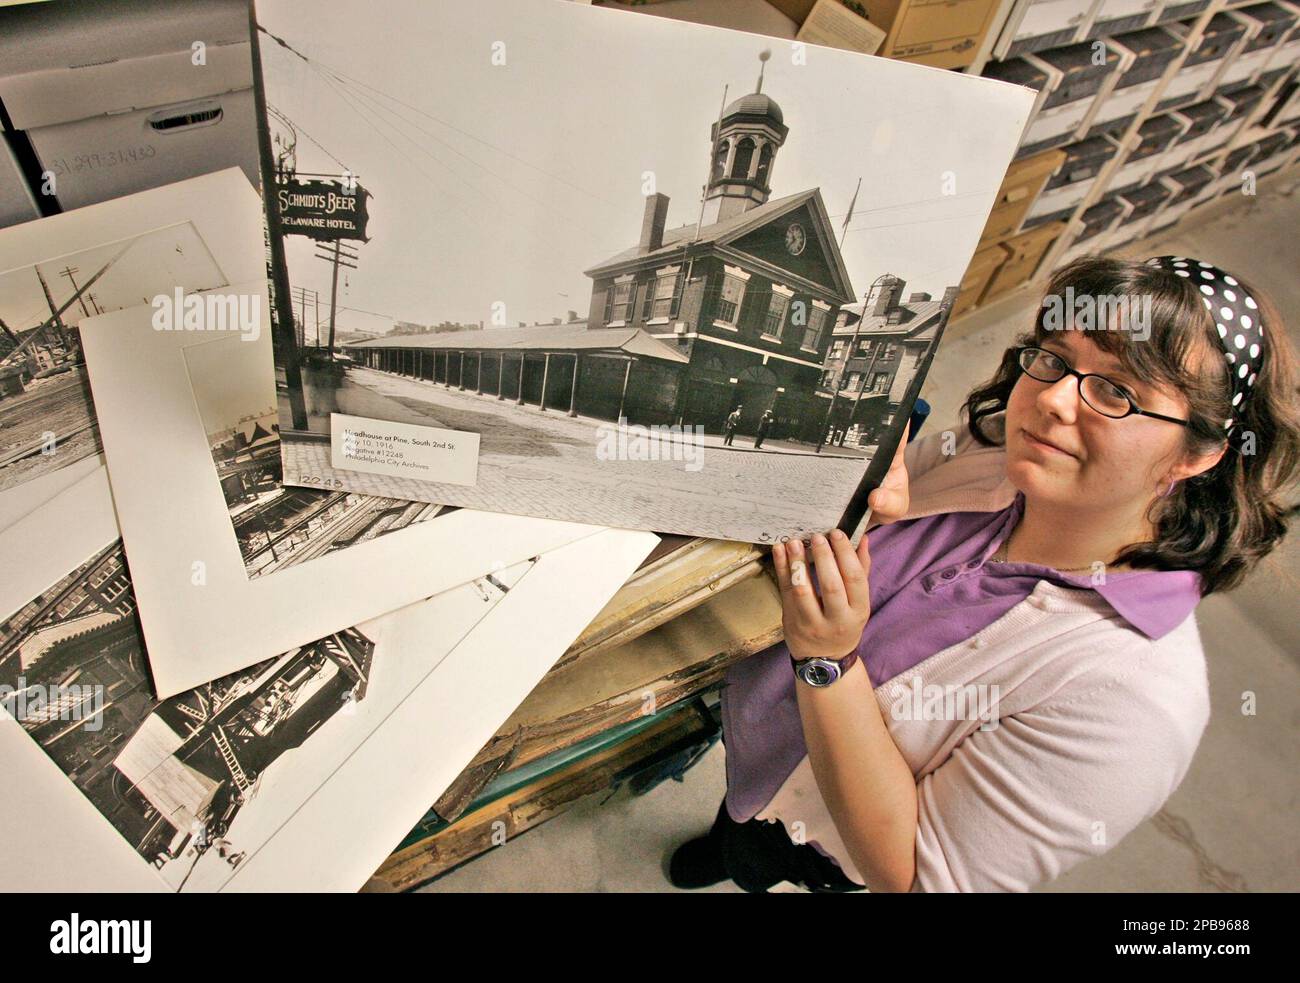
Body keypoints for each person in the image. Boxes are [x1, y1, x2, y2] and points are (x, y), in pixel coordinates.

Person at [667, 255, 1299, 892]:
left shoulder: (1134, 706)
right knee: (738, 807)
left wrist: (827, 661)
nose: (1051, 399)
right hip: (754, 728)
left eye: (1117, 391)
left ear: (1201, 452)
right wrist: (862, 495)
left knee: (759, 858)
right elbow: (893, 483)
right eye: (1054, 358)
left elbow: (918, 877)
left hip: (818, 833)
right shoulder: (997, 448)